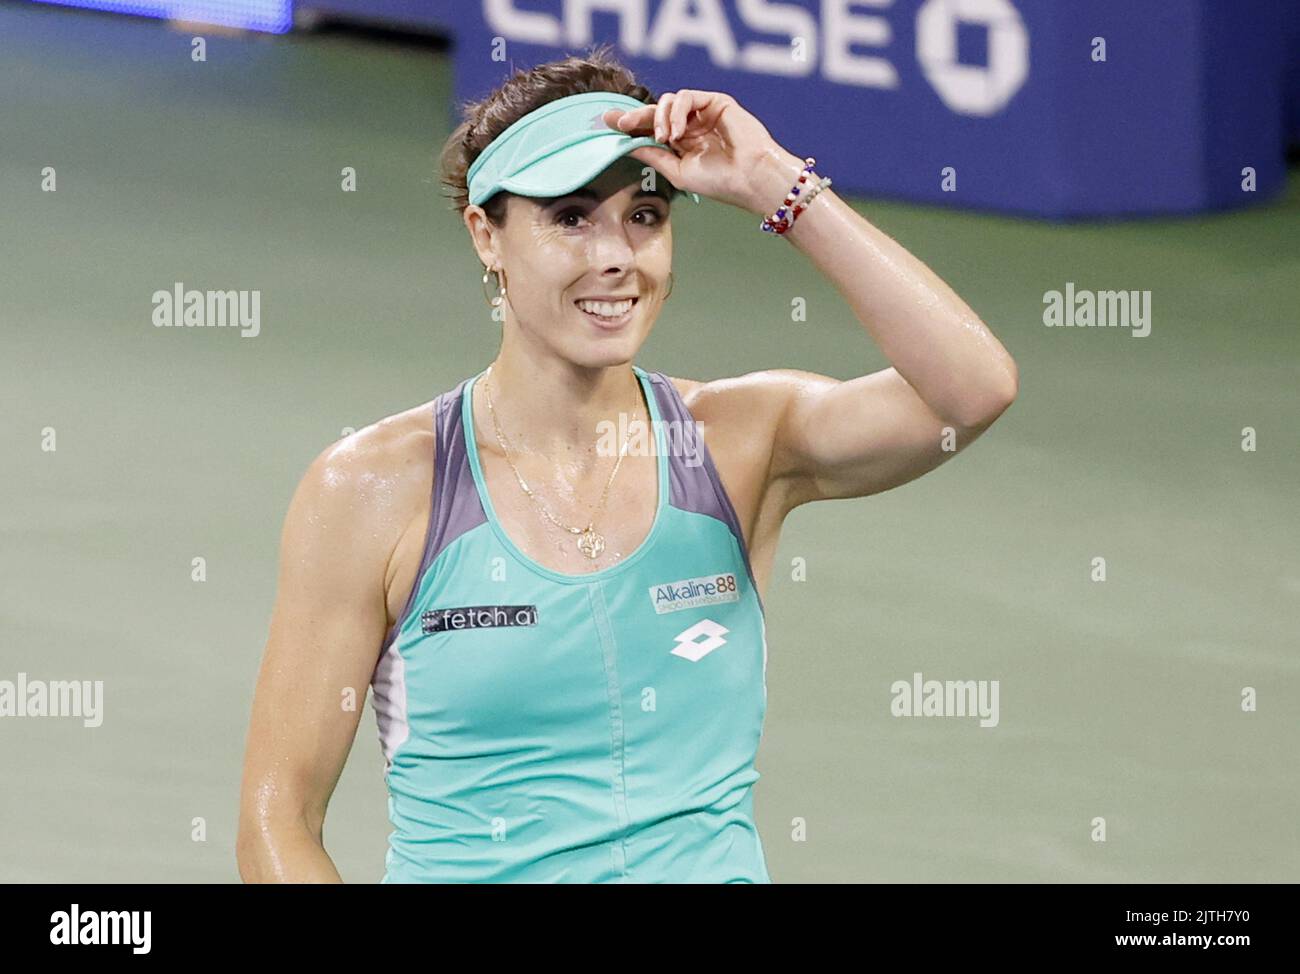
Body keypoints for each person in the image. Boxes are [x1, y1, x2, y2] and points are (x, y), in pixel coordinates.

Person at [236, 46, 1018, 883]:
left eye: (644, 216)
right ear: (485, 234)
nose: (617, 256)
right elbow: (277, 817)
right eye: (571, 217)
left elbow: (972, 390)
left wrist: (774, 182)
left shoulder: (741, 441)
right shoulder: (375, 488)